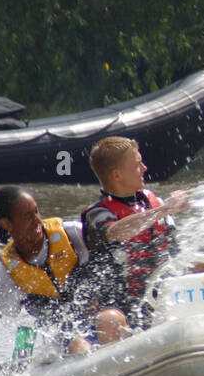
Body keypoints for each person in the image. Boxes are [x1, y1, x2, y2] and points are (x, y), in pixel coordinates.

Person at [0, 186, 131, 376]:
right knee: (78, 345)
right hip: (67, 340)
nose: (36, 220)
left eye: (36, 211)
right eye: (27, 216)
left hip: (107, 315)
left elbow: (117, 254)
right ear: (7, 224)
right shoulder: (6, 276)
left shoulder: (73, 235)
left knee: (110, 320)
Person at [81, 136, 193, 324]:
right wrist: (164, 209)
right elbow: (115, 232)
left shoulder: (153, 204)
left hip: (162, 304)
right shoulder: (97, 215)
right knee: (110, 319)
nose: (144, 169)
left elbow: (178, 257)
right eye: (137, 165)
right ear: (117, 175)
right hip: (121, 313)